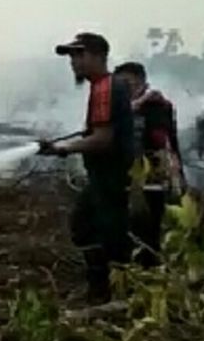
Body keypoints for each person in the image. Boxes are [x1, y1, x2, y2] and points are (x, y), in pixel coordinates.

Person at [39, 33, 134, 302]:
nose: (73, 62)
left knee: (107, 236)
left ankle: (112, 296)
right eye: (71, 56)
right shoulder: (106, 86)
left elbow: (103, 140)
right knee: (88, 226)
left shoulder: (105, 87)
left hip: (111, 179)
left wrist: (62, 149)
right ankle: (103, 290)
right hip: (109, 177)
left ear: (98, 56)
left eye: (79, 55)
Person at [112, 61, 185, 266]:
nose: (124, 90)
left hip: (151, 181)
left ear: (141, 82)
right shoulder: (130, 105)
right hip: (127, 180)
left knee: (147, 230)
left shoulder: (156, 107)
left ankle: (148, 271)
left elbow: (165, 142)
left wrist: (175, 174)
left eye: (128, 84)